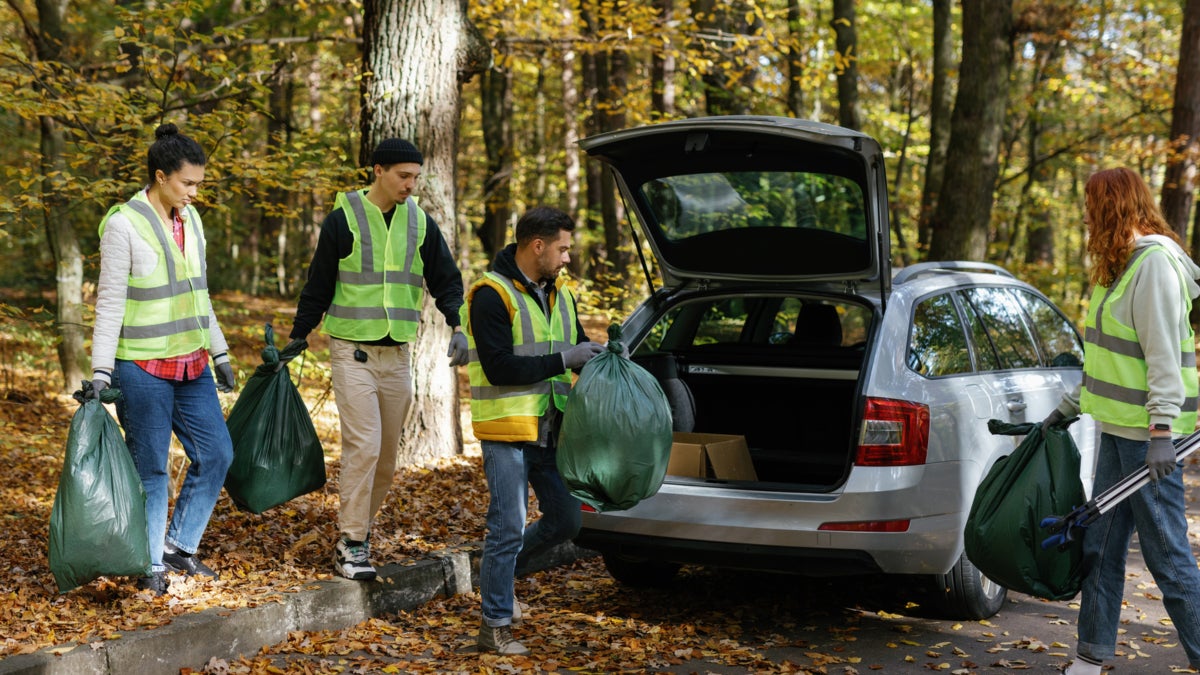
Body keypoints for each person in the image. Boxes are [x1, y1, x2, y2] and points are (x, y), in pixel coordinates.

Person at [1041, 167, 1200, 674]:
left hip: (1149, 438)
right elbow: (1106, 358)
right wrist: (1065, 410)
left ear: (1112, 207)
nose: (1086, 215)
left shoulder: (1152, 267)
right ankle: (1092, 657)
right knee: (1101, 544)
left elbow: (1163, 360)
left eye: (1092, 205)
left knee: (1168, 558)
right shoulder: (1121, 268)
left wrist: (1159, 433)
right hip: (1117, 431)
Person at [288, 138, 467, 581]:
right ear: (378, 172)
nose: (411, 185)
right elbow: (319, 285)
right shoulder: (343, 220)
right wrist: (298, 335)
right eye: (403, 176)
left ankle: (357, 537)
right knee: (364, 447)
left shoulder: (419, 223)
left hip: (398, 356)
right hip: (354, 352)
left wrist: (458, 324)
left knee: (386, 458)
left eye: (415, 177)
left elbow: (446, 279)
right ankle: (352, 543)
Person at [88, 123, 236, 596]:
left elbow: (199, 293)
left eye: (198, 184)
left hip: (191, 365)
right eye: (187, 183)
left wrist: (220, 350)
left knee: (217, 454)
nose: (194, 193)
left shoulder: (190, 221)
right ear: (160, 176)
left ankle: (178, 547)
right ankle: (148, 562)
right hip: (142, 368)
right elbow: (109, 302)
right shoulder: (122, 225)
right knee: (150, 467)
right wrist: (99, 371)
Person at [464, 206, 605, 655]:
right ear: (537, 246)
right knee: (506, 528)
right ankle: (495, 627)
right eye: (562, 249)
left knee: (566, 520)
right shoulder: (491, 294)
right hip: (507, 430)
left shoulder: (560, 293)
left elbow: (575, 345)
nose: (568, 258)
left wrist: (604, 362)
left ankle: (495, 574)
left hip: (550, 428)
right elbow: (499, 365)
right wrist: (567, 360)